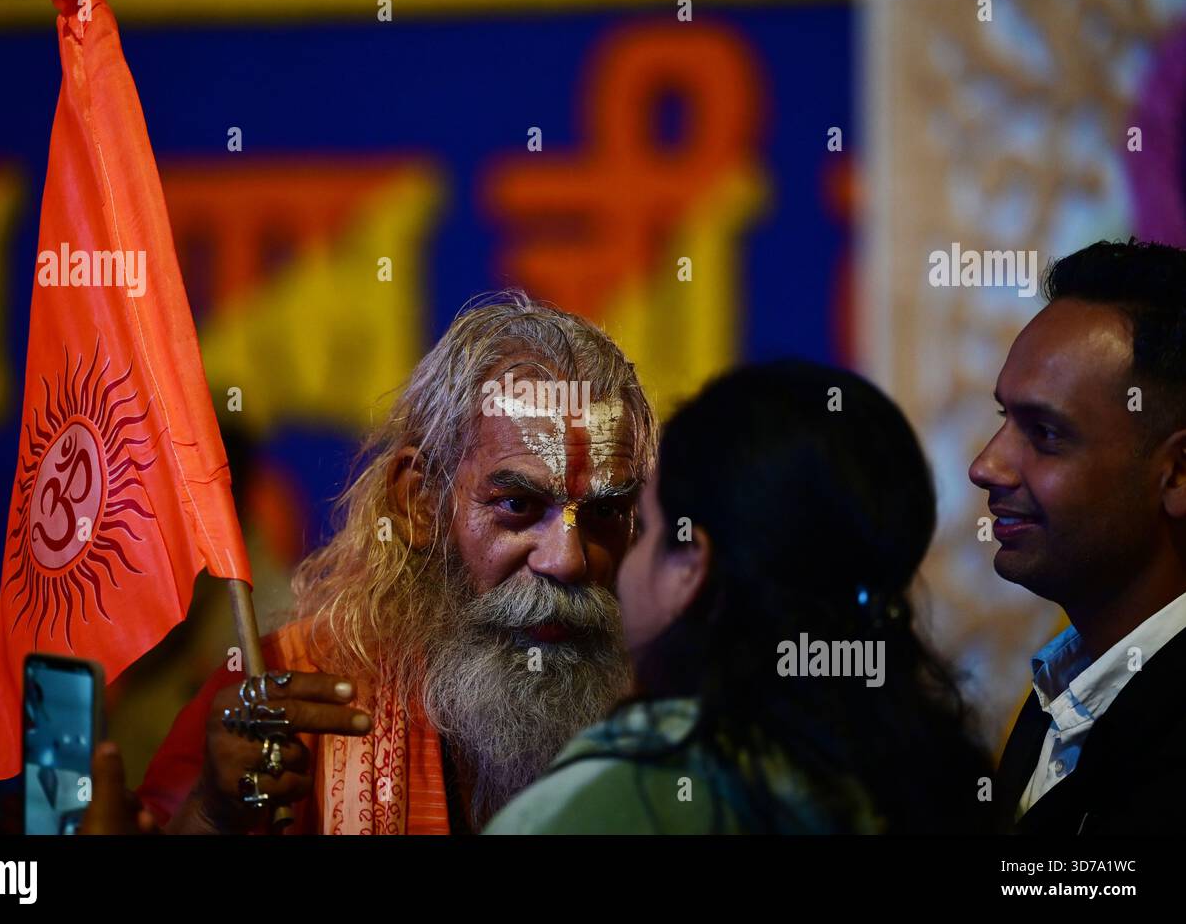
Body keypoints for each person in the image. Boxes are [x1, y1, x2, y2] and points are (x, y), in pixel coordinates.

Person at [135, 292, 657, 833]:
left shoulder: (675, 724)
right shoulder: (281, 698)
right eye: (518, 506)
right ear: (420, 502)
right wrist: (210, 817)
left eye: (604, 513)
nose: (567, 560)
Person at [485, 360, 996, 833]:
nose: (572, 560)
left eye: (641, 525)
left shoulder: (599, 808)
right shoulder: (960, 788)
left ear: (689, 563)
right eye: (517, 505)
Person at [970, 239, 1186, 834]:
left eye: (1044, 434)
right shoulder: (1066, 684)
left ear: (1177, 472)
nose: (986, 466)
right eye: (1002, 420)